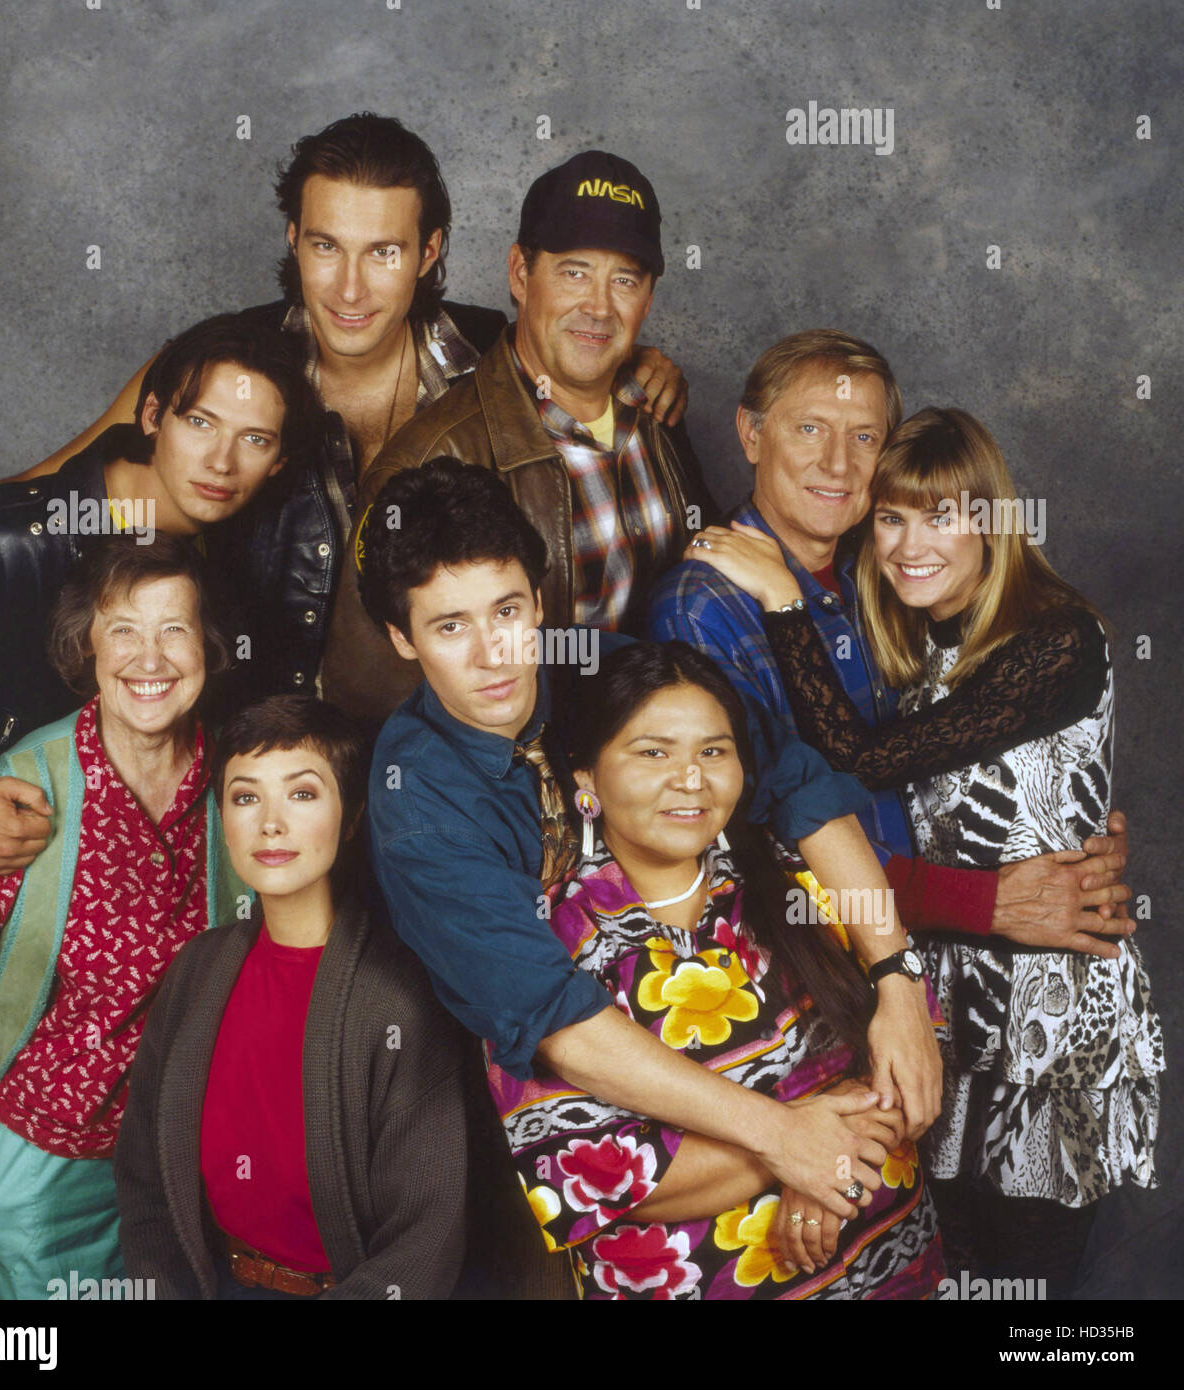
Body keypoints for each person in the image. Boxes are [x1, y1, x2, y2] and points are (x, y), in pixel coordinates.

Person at [362, 458, 941, 1302]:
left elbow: (793, 778)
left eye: (510, 611)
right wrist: (788, 1143)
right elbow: (556, 1025)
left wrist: (897, 979)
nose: (496, 656)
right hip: (602, 1145)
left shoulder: (599, 670)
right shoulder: (420, 806)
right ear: (402, 641)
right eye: (450, 628)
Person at [0, 114, 688, 697]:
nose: (349, 289)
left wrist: (635, 362)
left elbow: (578, 341)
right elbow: (53, 494)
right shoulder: (219, 371)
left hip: (442, 729)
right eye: (325, 246)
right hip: (262, 739)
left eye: (382, 252)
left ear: (430, 252)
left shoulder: (494, 360)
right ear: (293, 241)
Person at [693, 405, 1164, 1297]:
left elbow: (859, 762)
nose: (911, 543)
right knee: (949, 1274)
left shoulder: (1055, 637)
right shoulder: (912, 637)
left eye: (942, 516)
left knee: (1027, 1292)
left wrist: (785, 601)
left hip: (1047, 1008)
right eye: (893, 517)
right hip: (940, 991)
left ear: (992, 521)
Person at [648, 330, 1132, 1053]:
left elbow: (947, 749)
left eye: (864, 436)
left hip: (966, 980)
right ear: (751, 434)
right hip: (817, 983)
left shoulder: (881, 580)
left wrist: (1072, 819)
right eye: (810, 428)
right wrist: (986, 903)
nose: (838, 463)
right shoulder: (703, 606)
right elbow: (758, 842)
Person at [486, 641, 945, 1299]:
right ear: (584, 780)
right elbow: (590, 1182)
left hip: (897, 1270)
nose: (691, 778)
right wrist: (799, 1156)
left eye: (713, 750)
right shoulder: (545, 949)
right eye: (652, 752)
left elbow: (917, 1045)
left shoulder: (800, 871)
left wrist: (829, 1154)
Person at [0, 535, 249, 1298]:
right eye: (123, 629)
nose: (149, 657)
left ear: (209, 648)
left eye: (174, 630)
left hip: (177, 1166)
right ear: (86, 645)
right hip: (37, 1165)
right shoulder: (28, 779)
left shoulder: (237, 784)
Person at [0, 311, 329, 879]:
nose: (222, 462)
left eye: (253, 439)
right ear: (154, 416)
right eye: (201, 422)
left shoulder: (221, 572)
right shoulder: (12, 543)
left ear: (277, 463)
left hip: (108, 902)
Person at [326, 148, 717, 719]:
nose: (599, 307)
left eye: (625, 280)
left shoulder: (656, 413)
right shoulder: (429, 463)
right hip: (529, 776)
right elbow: (369, 691)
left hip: (659, 756)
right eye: (574, 271)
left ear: (648, 297)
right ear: (520, 273)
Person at [115, 695, 468, 1299]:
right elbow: (146, 1177)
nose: (269, 823)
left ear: (351, 816)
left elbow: (427, 1234)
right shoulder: (197, 971)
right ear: (221, 816)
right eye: (245, 796)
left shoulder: (399, 996)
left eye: (303, 794)